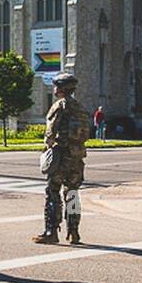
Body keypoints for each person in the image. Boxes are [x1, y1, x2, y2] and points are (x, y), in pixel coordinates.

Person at [34, 72, 90, 245]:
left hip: (61, 156)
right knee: (72, 193)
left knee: (52, 192)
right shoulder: (80, 108)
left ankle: (51, 231)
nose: (55, 89)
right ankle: (74, 232)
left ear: (61, 89)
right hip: (77, 157)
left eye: (56, 86)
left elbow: (50, 134)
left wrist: (47, 149)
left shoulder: (59, 106)